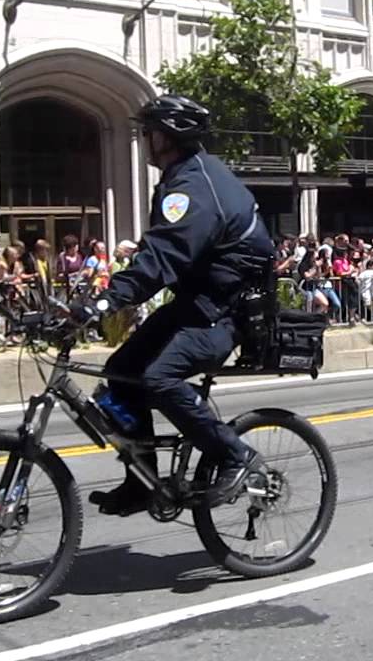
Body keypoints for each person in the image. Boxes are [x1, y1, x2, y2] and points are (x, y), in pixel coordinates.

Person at [81, 94, 276, 515]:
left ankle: (235, 456)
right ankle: (141, 482)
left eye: (148, 131)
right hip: (196, 306)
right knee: (120, 373)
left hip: (223, 314)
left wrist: (104, 303)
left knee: (156, 378)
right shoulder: (180, 178)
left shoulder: (194, 187)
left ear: (169, 135)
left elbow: (163, 257)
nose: (143, 139)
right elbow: (161, 257)